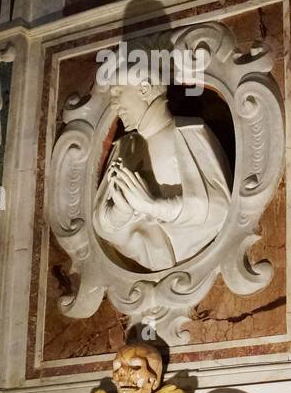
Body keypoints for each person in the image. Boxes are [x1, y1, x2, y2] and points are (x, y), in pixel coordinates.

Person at [92, 68, 230, 272]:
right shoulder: (125, 147)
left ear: (144, 89)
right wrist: (121, 213)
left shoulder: (190, 132)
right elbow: (101, 223)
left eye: (118, 93)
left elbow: (220, 208)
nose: (113, 104)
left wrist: (155, 206)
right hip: (151, 256)